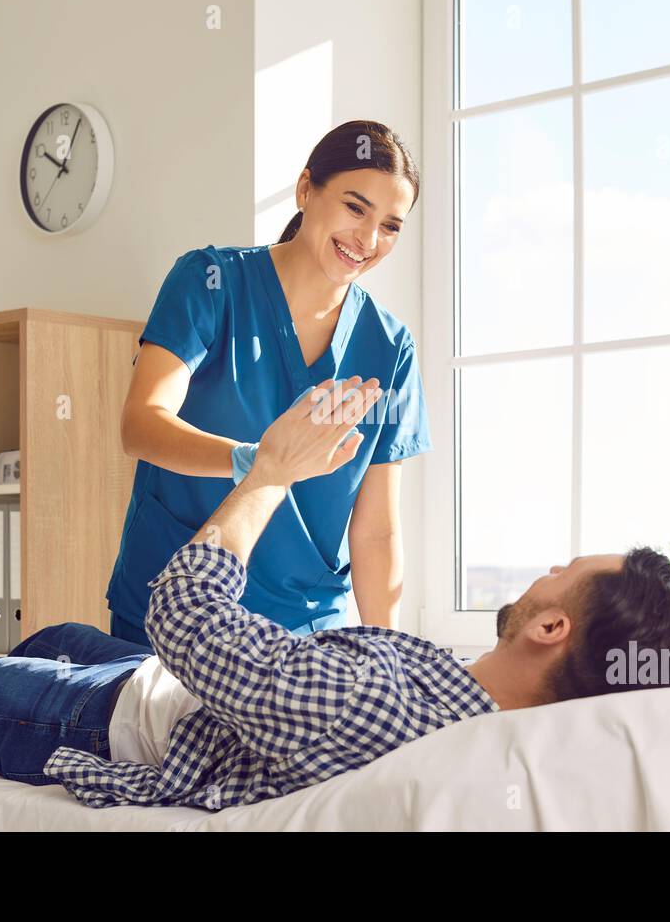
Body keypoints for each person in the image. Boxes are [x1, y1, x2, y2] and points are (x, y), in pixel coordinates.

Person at [0, 377, 670, 811]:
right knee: (55, 626)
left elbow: (181, 614)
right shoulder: (472, 702)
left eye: (557, 574)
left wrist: (271, 471)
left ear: (549, 623)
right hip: (183, 695)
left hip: (130, 722)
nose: (541, 568)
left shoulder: (398, 711)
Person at [107, 119, 430, 648]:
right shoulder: (211, 283)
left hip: (299, 636)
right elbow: (141, 424)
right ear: (306, 190)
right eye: (355, 208)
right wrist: (257, 464)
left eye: (391, 226)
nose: (369, 240)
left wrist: (386, 657)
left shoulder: (389, 349)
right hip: (172, 616)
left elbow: (375, 532)